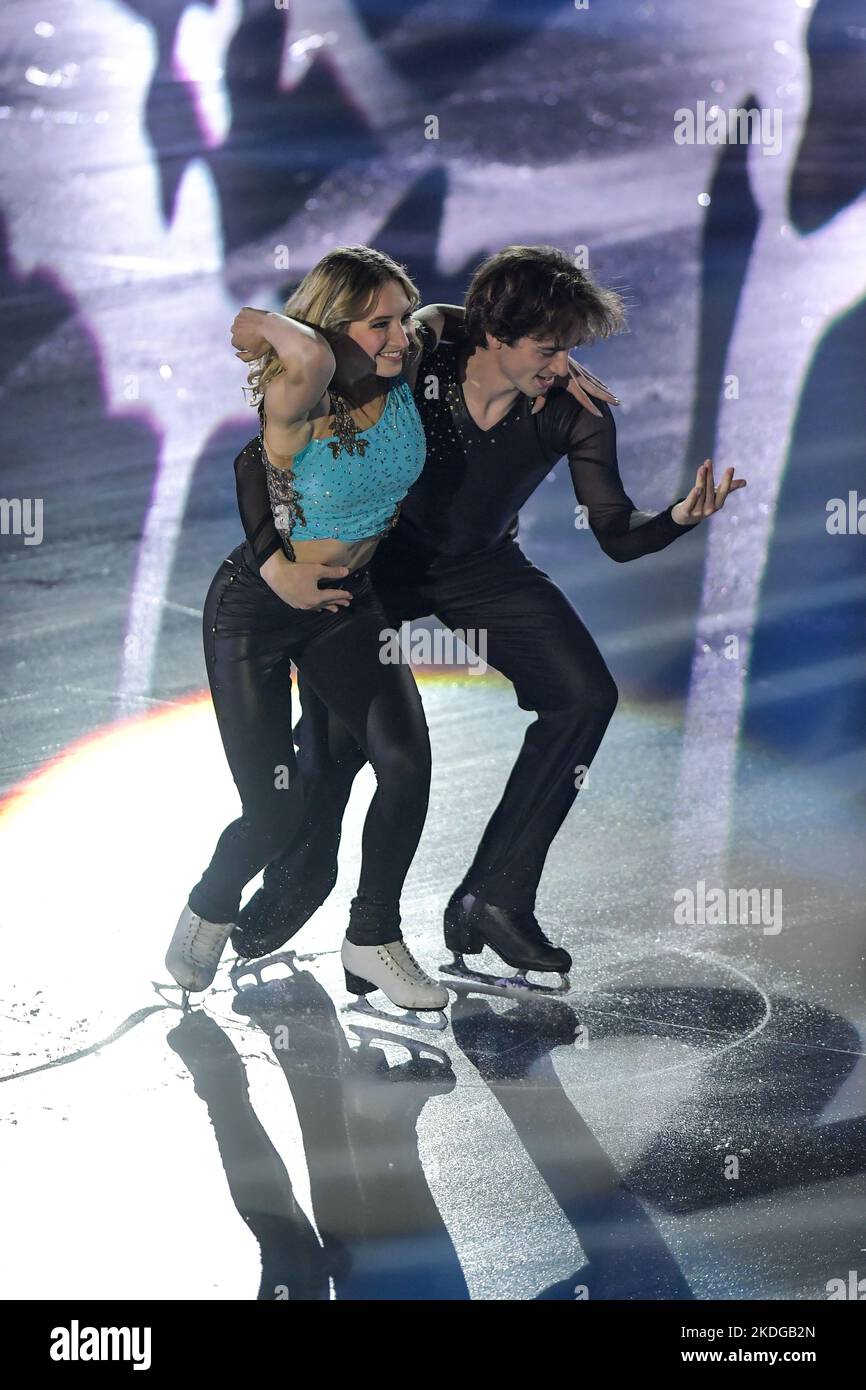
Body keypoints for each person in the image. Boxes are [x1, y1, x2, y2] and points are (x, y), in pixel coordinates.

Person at [229, 245, 746, 987]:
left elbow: (618, 535)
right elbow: (266, 454)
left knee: (583, 695)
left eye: (567, 346)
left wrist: (677, 518)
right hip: (375, 567)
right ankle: (302, 873)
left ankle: (494, 896)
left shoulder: (570, 410)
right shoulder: (424, 355)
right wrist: (278, 558)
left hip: (481, 569)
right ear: (495, 336)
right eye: (548, 345)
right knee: (338, 744)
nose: (560, 361)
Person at [164, 245, 454, 1017]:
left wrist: (553, 367)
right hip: (254, 614)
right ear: (329, 333)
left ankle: (373, 936)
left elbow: (448, 319)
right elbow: (287, 364)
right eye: (377, 325)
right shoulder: (306, 386)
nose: (398, 339)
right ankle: (211, 904)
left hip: (345, 606)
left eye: (399, 320)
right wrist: (259, 320)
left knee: (406, 761)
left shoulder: (398, 360)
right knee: (276, 812)